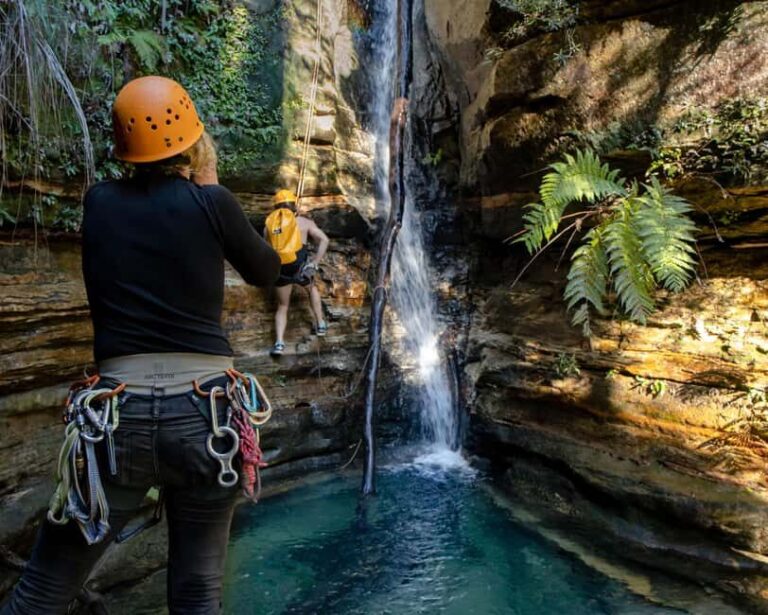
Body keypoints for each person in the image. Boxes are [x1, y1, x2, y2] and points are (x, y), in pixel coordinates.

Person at [1, 76, 280, 614]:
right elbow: (268, 270)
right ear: (193, 142)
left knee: (40, 594)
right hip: (207, 417)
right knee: (197, 592)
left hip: (114, 418)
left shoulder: (99, 203)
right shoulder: (212, 202)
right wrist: (211, 188)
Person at [264, 189, 330, 356]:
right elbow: (324, 239)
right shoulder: (303, 222)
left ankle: (279, 343)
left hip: (280, 270)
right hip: (300, 266)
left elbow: (265, 249)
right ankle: (320, 324)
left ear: (275, 207)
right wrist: (314, 262)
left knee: (282, 305)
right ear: (294, 205)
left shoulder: (269, 226)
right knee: (312, 289)